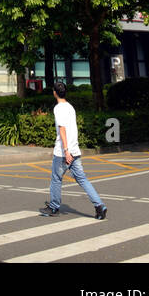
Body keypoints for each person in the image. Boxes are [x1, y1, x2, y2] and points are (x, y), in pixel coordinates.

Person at [40, 81, 107, 220]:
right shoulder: (70, 107)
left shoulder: (58, 108)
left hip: (63, 152)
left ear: (54, 93)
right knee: (82, 179)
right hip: (75, 150)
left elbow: (62, 129)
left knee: (56, 179)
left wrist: (65, 150)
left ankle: (54, 207)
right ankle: (99, 205)